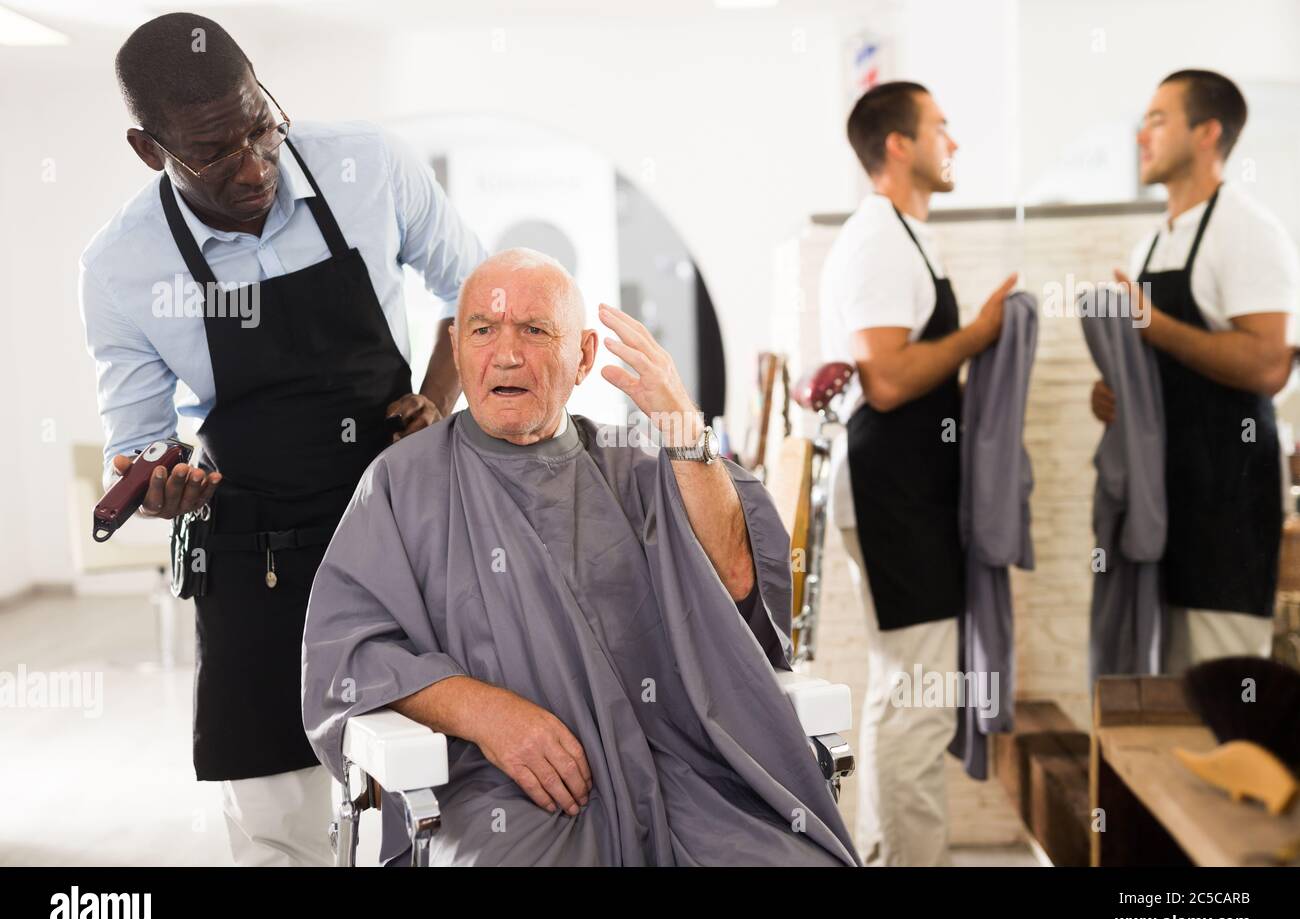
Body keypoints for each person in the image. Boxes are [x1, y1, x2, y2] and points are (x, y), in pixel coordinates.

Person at [79, 13, 486, 865]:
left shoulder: (366, 164)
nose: (255, 163)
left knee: (442, 786)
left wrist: (437, 393)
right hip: (255, 560)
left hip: (403, 533)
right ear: (149, 150)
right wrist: (163, 487)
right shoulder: (121, 267)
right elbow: (144, 448)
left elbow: (475, 294)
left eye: (260, 126)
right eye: (214, 154)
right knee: (280, 825)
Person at [302, 249, 858, 866]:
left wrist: (681, 425)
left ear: (585, 357)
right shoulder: (401, 485)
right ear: (457, 348)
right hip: (503, 792)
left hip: (686, 778)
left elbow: (735, 581)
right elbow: (348, 656)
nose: (506, 354)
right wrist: (485, 712)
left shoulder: (637, 472)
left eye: (534, 330)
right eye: (484, 330)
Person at [818, 80, 1015, 866]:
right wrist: (982, 334)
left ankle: (887, 854)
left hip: (909, 490)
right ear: (898, 145)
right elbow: (890, 378)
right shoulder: (876, 240)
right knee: (917, 699)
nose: (954, 143)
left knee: (908, 688)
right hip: (895, 491)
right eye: (941, 127)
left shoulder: (904, 235)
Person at [1092, 69, 1297, 672]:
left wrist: (1156, 327)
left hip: (1228, 503)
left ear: (1208, 132)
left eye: (1158, 119)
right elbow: (1163, 368)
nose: (1141, 135)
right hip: (1162, 507)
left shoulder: (1250, 232)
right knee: (1161, 695)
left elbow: (1267, 363)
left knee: (1225, 689)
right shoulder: (1151, 244)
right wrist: (1117, 394)